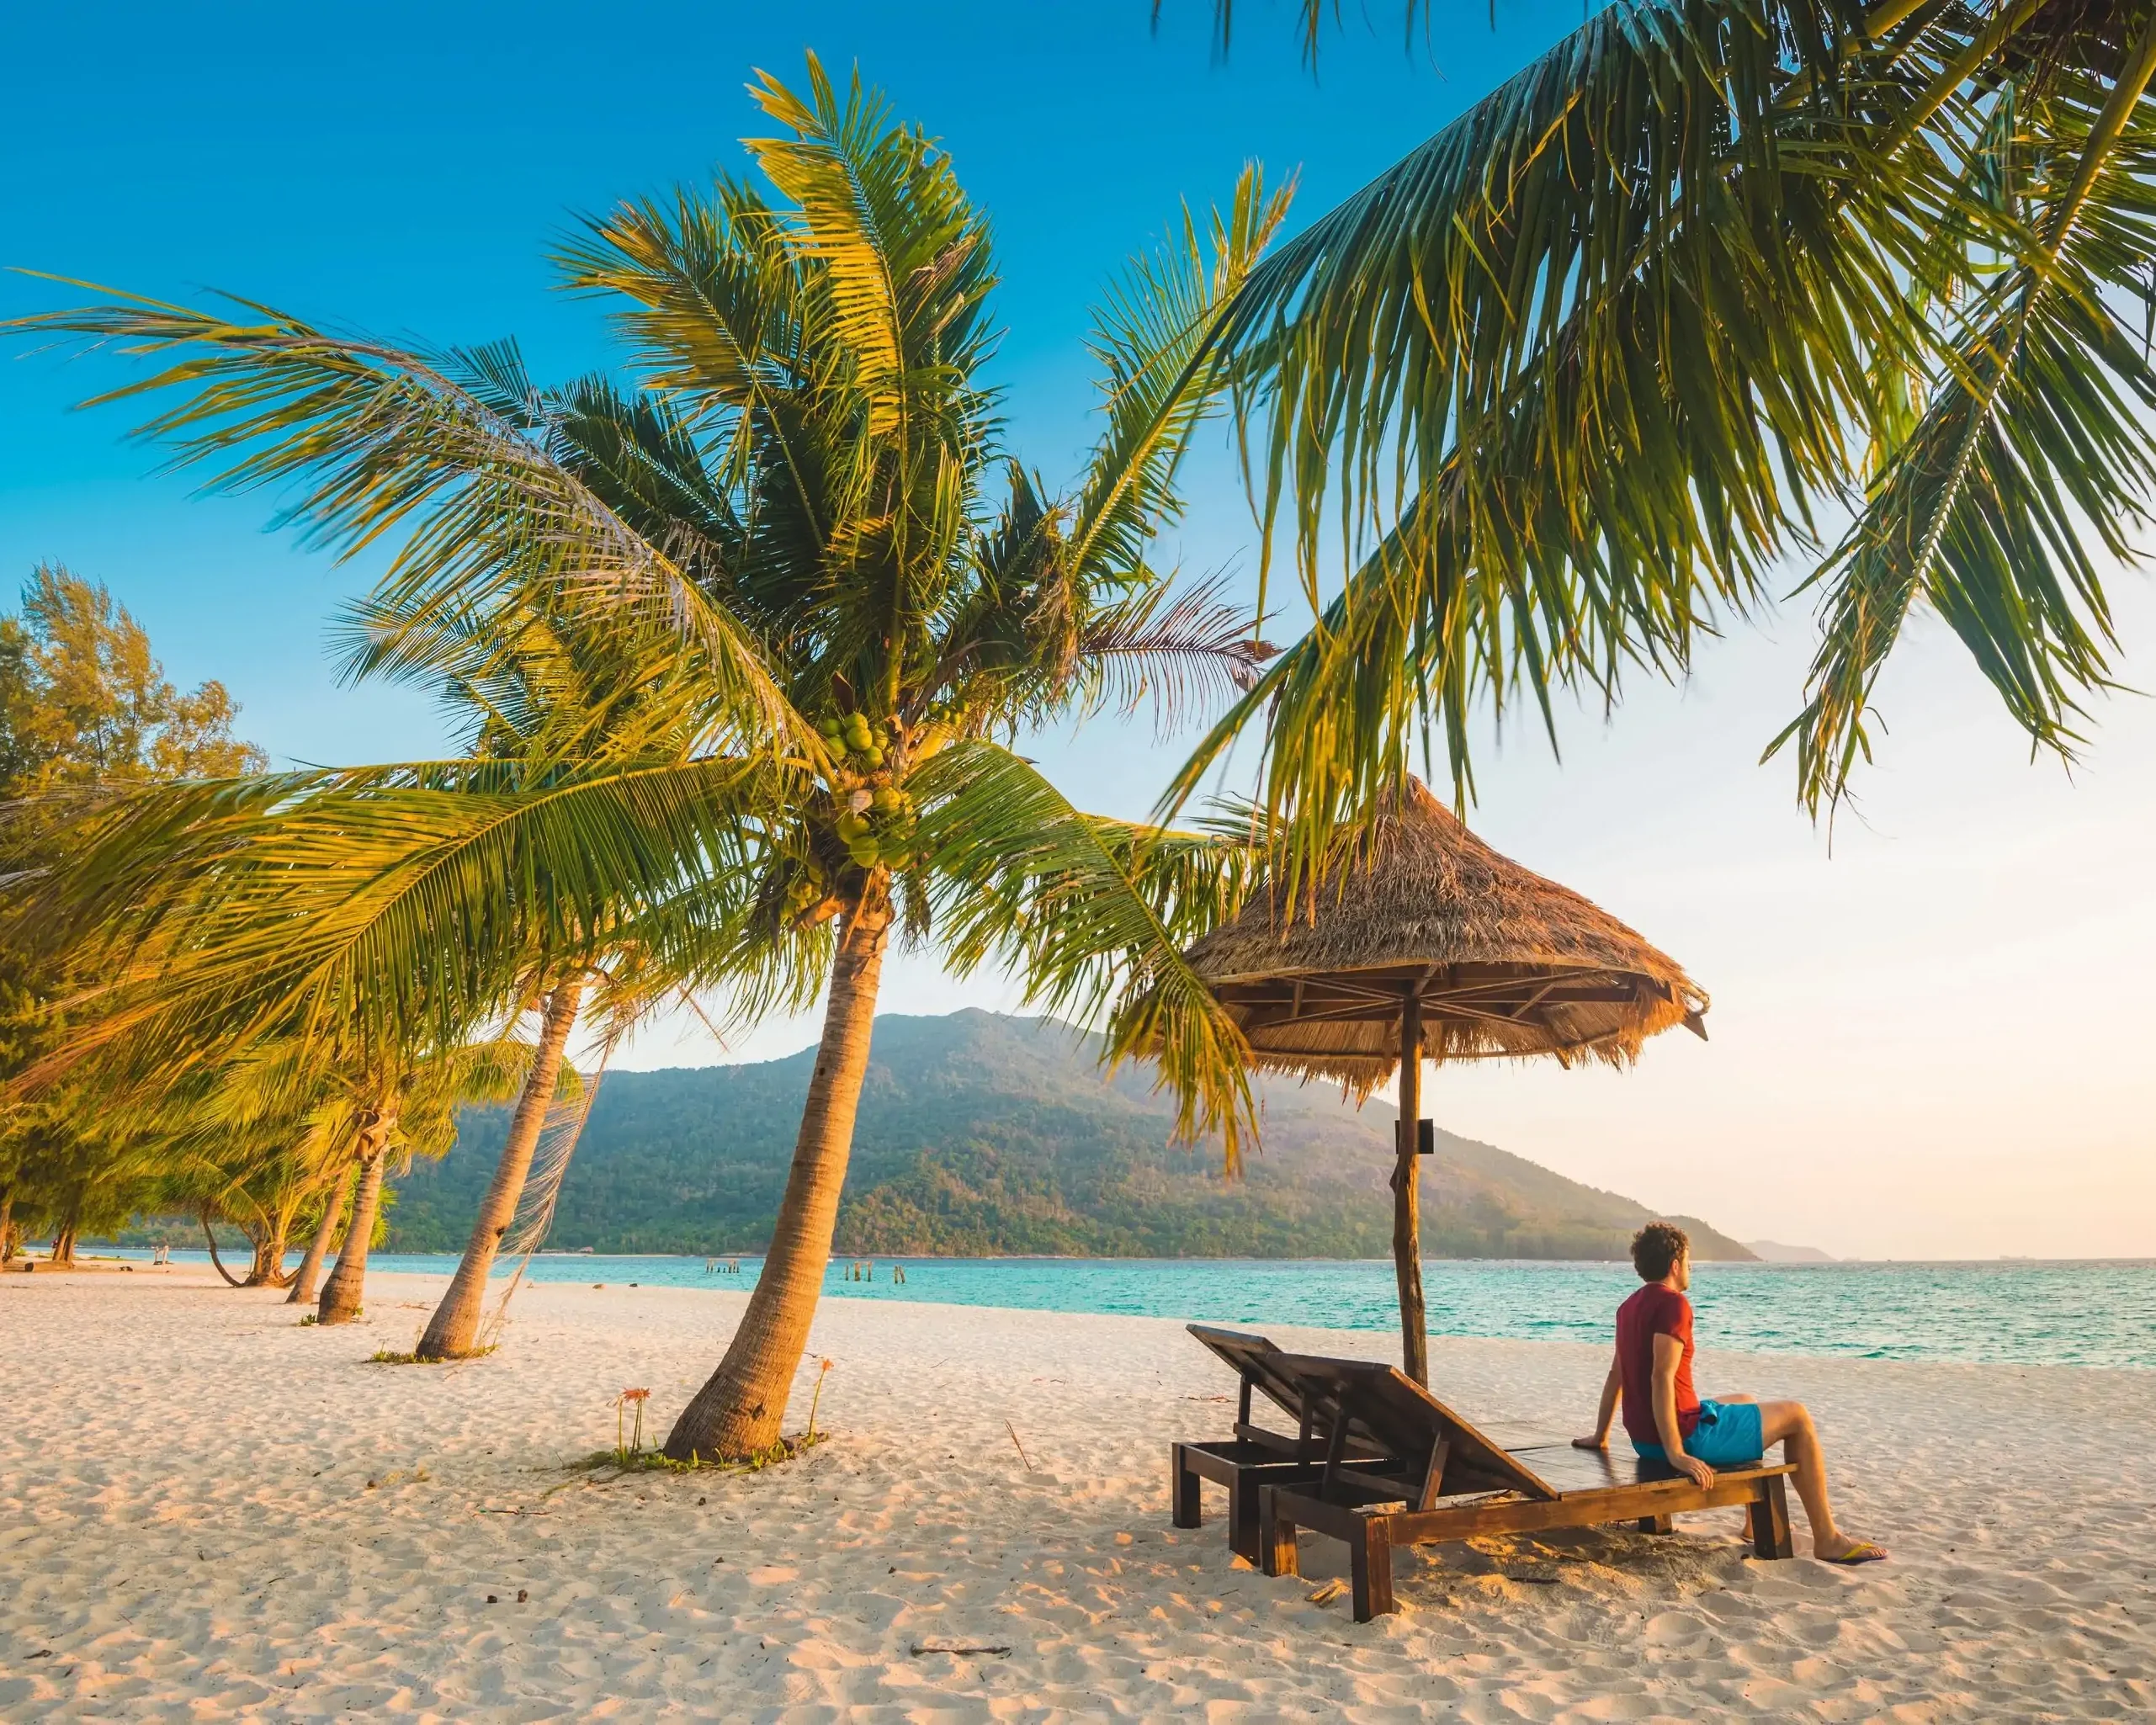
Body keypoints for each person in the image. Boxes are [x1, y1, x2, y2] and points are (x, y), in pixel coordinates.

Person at [1574, 1221, 1886, 1565]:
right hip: (1683, 1437)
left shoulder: (1627, 1308)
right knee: (1797, 1415)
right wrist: (1677, 1453)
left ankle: (1754, 1523)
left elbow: (1616, 1374)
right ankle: (1827, 1538)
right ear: (1675, 1264)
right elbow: (1660, 1378)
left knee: (1744, 1400)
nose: (1690, 1268)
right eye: (1688, 1261)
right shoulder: (1673, 1305)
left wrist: (1601, 1435)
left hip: (1644, 1439)